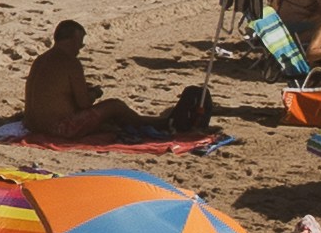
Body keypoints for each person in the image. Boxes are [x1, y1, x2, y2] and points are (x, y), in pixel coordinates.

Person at [23, 21, 210, 142]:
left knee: (108, 117)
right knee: (114, 106)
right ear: (73, 40)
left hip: (32, 123)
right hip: (58, 128)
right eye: (80, 42)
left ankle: (154, 122)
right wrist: (95, 93)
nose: (81, 47)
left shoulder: (42, 59)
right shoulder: (70, 62)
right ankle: (161, 123)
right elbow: (84, 104)